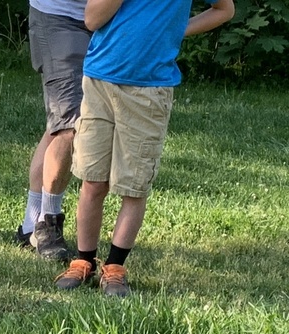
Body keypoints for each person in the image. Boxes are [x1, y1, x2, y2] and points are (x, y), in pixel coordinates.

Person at [55, 0, 235, 296]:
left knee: (133, 185)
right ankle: (83, 260)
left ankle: (114, 267)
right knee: (92, 181)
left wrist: (176, 30)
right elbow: (91, 19)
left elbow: (224, 9)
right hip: (99, 78)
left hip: (149, 89)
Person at [16, 0, 91, 261]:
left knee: (59, 126)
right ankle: (48, 223)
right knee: (69, 125)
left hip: (106, 18)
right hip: (60, 16)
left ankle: (30, 225)